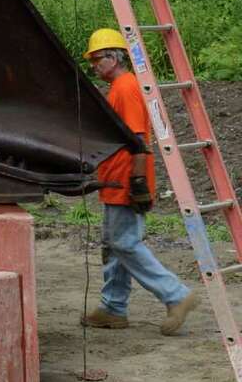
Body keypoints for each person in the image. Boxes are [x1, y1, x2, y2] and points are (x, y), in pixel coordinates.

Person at [80, 28, 198, 335]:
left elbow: (138, 138)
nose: (93, 65)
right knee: (114, 244)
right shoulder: (119, 86)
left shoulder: (127, 87)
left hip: (124, 180)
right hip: (114, 179)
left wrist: (137, 180)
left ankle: (176, 295)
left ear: (114, 57)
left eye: (96, 59)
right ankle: (113, 308)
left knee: (124, 243)